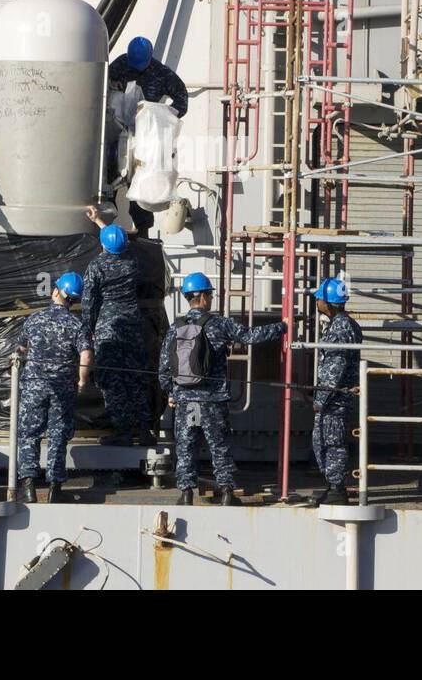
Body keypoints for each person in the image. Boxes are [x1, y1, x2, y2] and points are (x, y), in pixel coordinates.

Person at [158, 272, 288, 506]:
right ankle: (227, 492)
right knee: (219, 445)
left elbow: (164, 367)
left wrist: (170, 392)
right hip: (213, 400)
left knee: (186, 445)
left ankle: (186, 494)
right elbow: (250, 336)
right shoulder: (218, 324)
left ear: (188, 297)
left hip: (186, 399)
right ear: (205, 297)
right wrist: (282, 327)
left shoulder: (175, 327)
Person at [15, 271, 94, 505]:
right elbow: (86, 355)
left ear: (56, 291)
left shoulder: (34, 319)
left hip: (34, 386)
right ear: (75, 299)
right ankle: (54, 488)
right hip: (62, 388)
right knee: (58, 436)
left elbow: (21, 348)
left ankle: (28, 487)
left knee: (29, 434)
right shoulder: (77, 325)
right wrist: (81, 380)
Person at [82, 208, 154, 445]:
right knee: (136, 377)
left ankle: (123, 432)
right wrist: (101, 222)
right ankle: (144, 430)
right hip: (133, 325)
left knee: (113, 381)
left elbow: (89, 302)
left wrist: (88, 329)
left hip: (108, 328)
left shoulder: (97, 266)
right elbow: (117, 242)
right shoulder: (131, 260)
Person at [108, 36, 188, 238]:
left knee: (143, 180)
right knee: (109, 177)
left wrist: (165, 118)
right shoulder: (119, 65)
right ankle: (105, 225)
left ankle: (142, 231)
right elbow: (104, 86)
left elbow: (181, 97)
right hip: (116, 129)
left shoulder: (161, 74)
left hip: (147, 135)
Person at [309, 277, 362, 507]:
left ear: (329, 302)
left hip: (335, 398)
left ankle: (337, 489)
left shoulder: (341, 328)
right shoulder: (343, 324)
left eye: (320, 298)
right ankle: (332, 485)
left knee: (333, 442)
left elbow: (334, 368)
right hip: (336, 396)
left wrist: (320, 399)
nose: (317, 301)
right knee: (324, 440)